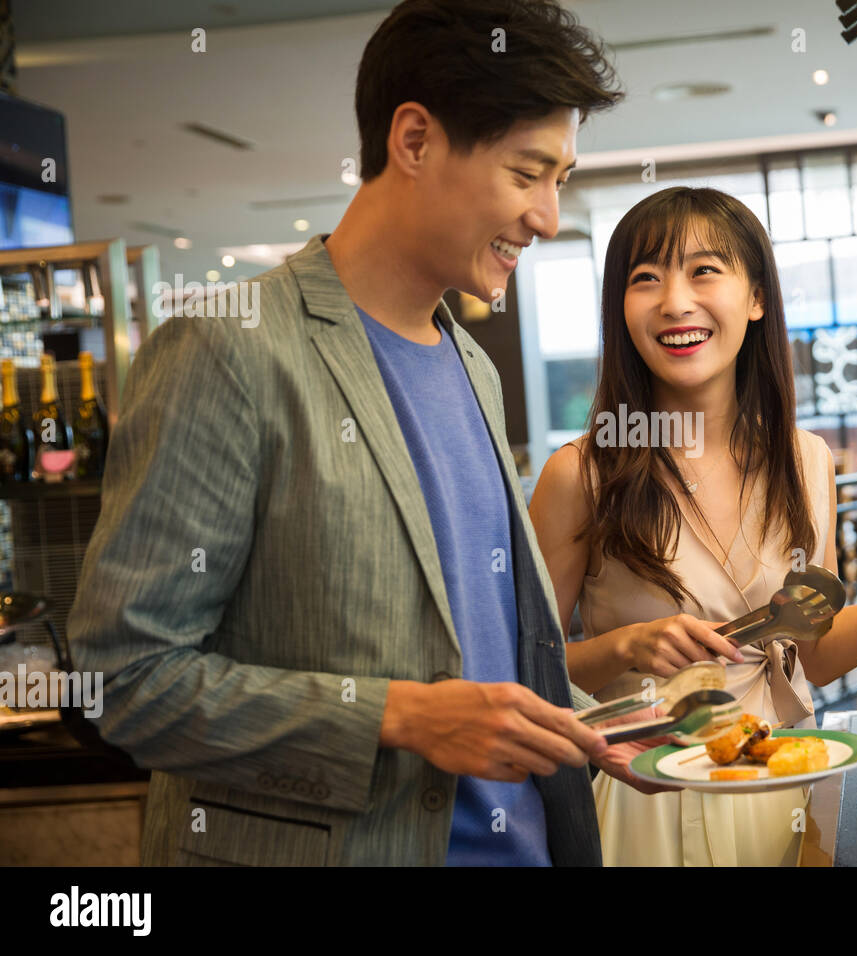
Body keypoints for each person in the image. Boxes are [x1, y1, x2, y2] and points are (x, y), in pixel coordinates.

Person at [67, 0, 649, 866]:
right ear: (413, 141)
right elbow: (123, 679)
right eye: (529, 174)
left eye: (560, 179)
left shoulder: (473, 369)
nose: (549, 216)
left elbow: (488, 652)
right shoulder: (230, 349)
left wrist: (597, 727)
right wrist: (400, 715)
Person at [529, 186, 857, 865]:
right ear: (622, 308)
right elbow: (526, 669)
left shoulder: (805, 459)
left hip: (790, 780)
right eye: (646, 279)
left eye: (704, 270)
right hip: (650, 803)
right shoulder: (579, 473)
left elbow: (810, 650)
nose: (675, 301)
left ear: (756, 297)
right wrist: (626, 648)